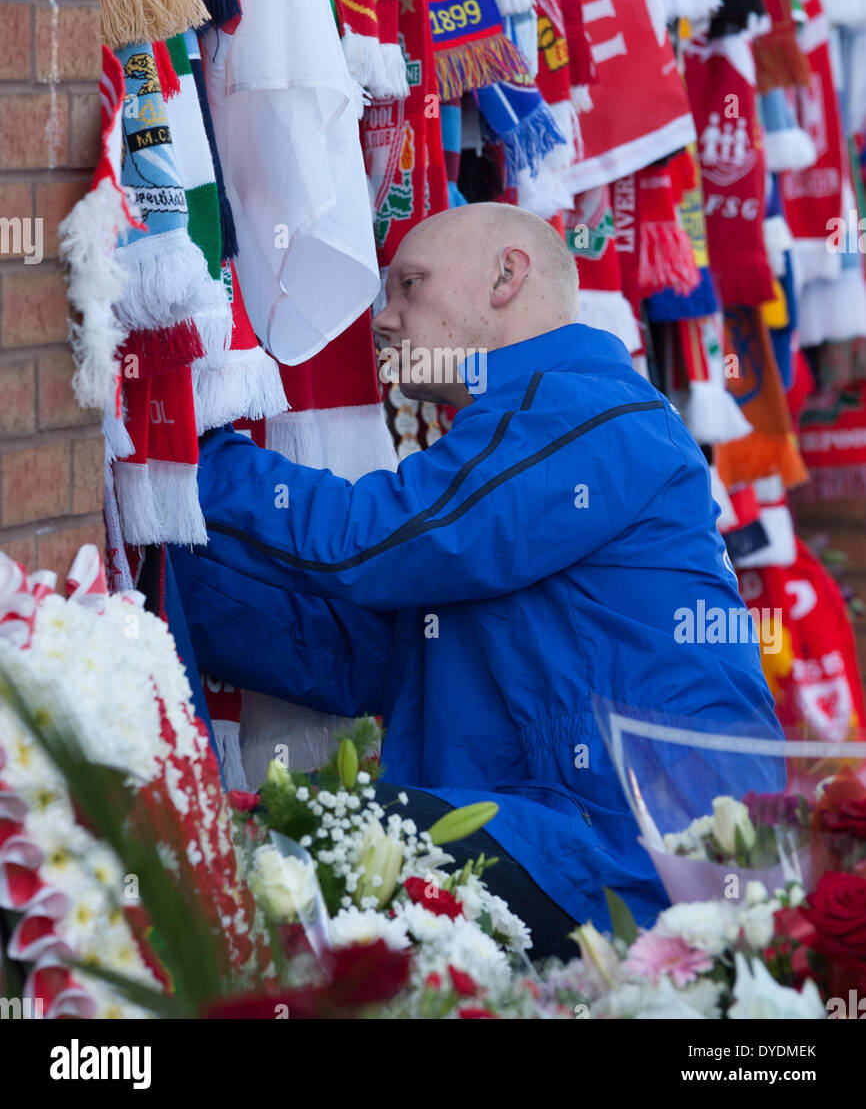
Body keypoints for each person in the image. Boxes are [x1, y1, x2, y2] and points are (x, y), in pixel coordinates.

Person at [171, 202, 781, 954]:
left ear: (506, 275)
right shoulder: (536, 431)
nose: (385, 320)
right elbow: (342, 651)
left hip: (622, 860)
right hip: (598, 851)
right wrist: (151, 584)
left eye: (409, 285)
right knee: (277, 850)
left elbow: (372, 541)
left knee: (277, 851)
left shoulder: (582, 406)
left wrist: (185, 453)